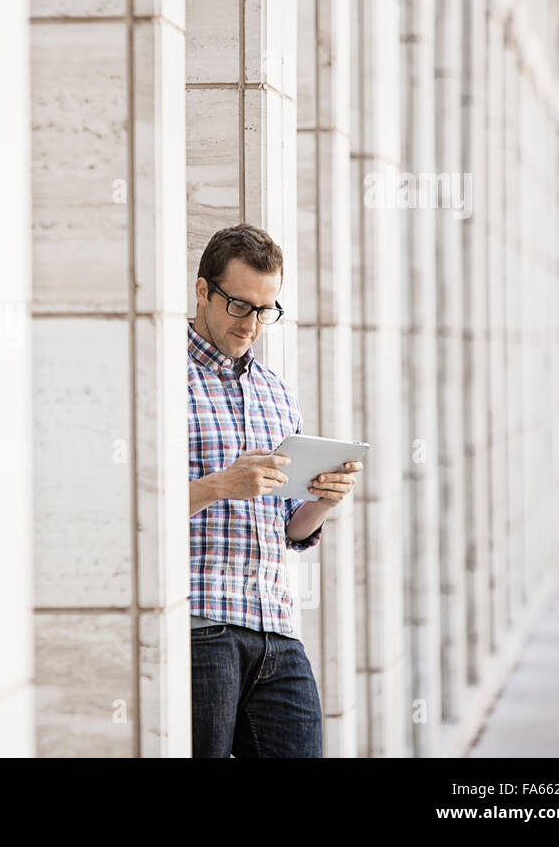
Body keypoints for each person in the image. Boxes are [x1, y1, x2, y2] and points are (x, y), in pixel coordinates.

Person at [187, 223, 362, 758]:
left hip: (276, 627)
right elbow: (131, 506)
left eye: (266, 310)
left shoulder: (275, 390)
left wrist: (323, 502)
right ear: (203, 291)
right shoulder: (161, 378)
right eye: (240, 306)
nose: (252, 324)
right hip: (202, 624)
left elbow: (291, 527)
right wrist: (219, 486)